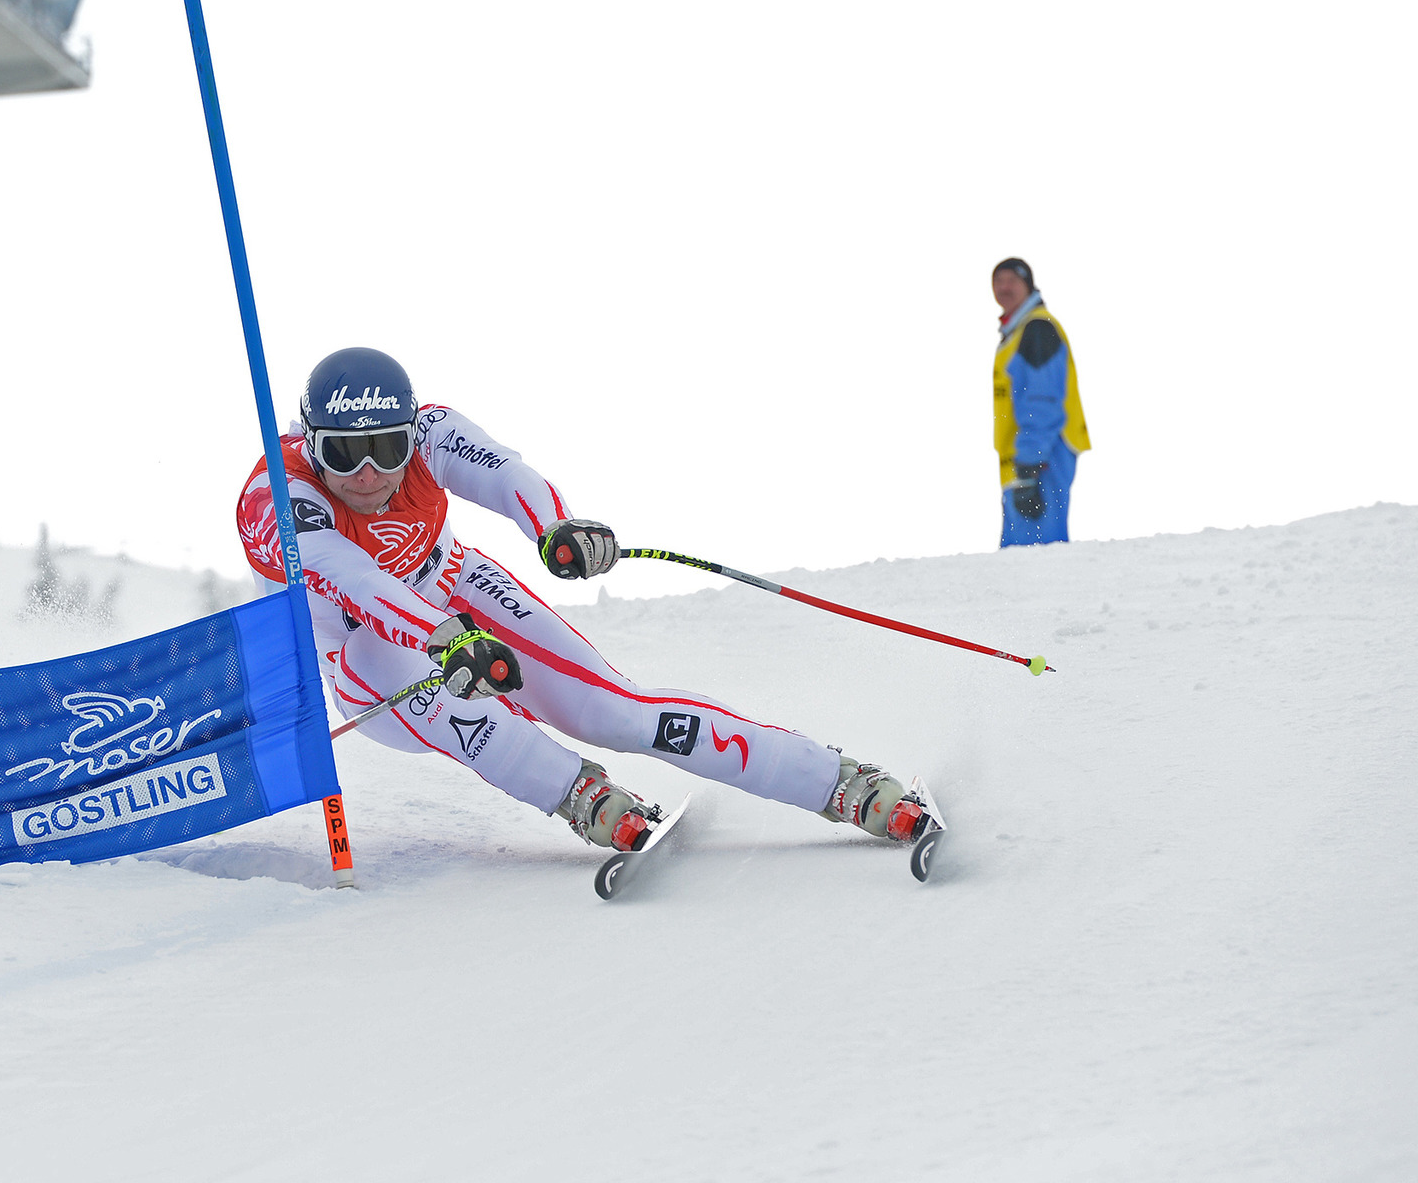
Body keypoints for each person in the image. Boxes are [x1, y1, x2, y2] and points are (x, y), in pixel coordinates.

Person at [236, 347, 931, 854]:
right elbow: (358, 582)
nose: (366, 474)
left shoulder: (432, 433)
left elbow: (503, 473)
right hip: (363, 653)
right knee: (414, 674)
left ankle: (837, 782)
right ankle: (579, 795)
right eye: (344, 453)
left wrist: (554, 528)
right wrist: (445, 637)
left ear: (410, 434)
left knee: (611, 711)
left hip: (454, 585)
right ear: (309, 443)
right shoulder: (277, 498)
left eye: (386, 448)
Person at [991, 257, 1091, 547]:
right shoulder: (1018, 331)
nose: (1004, 288)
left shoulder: (1036, 330)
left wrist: (1029, 465)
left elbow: (1041, 399)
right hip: (1026, 458)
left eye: (1012, 281)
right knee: (1023, 555)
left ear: (1028, 286)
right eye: (998, 281)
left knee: (1035, 555)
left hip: (1041, 457)